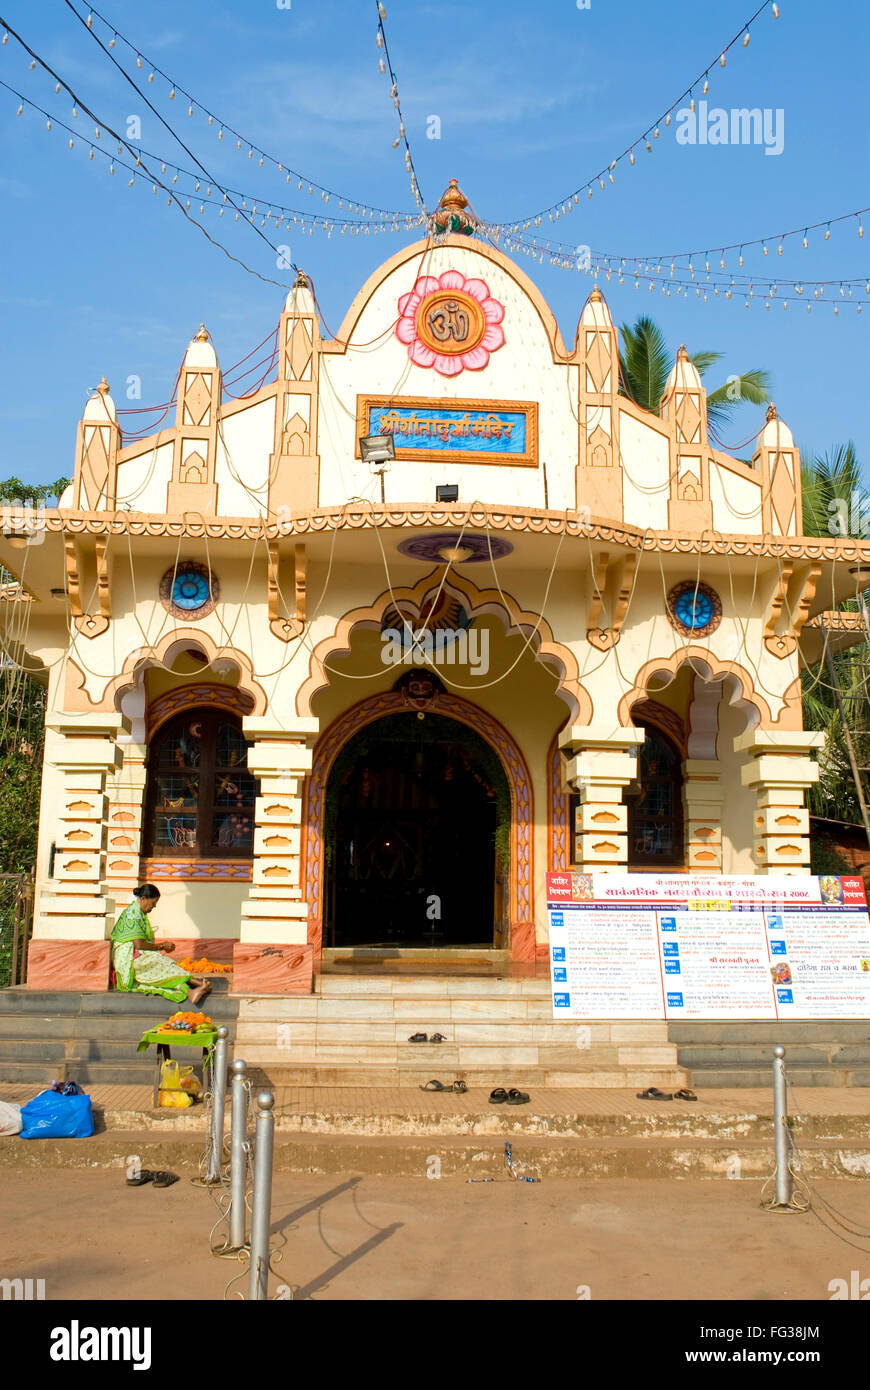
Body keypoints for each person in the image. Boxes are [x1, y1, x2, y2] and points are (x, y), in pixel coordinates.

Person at [110, 884, 211, 1006]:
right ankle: (197, 985)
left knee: (161, 966)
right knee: (159, 963)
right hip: (127, 961)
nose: (154, 906)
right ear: (143, 899)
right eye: (153, 903)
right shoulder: (133, 914)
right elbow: (139, 945)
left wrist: (159, 947)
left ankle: (193, 989)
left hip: (133, 955)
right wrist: (161, 946)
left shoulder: (138, 912)